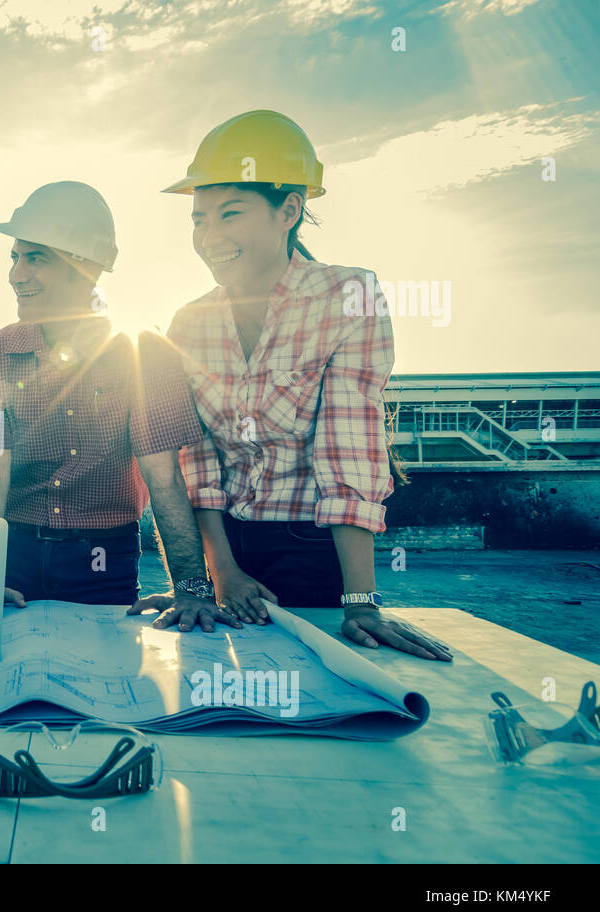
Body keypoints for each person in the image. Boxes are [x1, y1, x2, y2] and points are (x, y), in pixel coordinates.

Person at [162, 110, 451, 661]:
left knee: (306, 688)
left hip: (312, 545)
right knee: (215, 687)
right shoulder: (188, 323)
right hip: (225, 548)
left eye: (230, 213)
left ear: (289, 210)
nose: (209, 236)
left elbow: (349, 449)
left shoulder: (348, 296)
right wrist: (218, 574)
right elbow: (195, 460)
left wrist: (361, 602)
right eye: (199, 220)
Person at [0, 181, 239, 632]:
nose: (16, 275)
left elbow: (164, 480)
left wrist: (192, 590)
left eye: (35, 258)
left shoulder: (145, 354)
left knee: (106, 665)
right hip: (11, 555)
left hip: (104, 558)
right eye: (15, 257)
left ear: (84, 267)